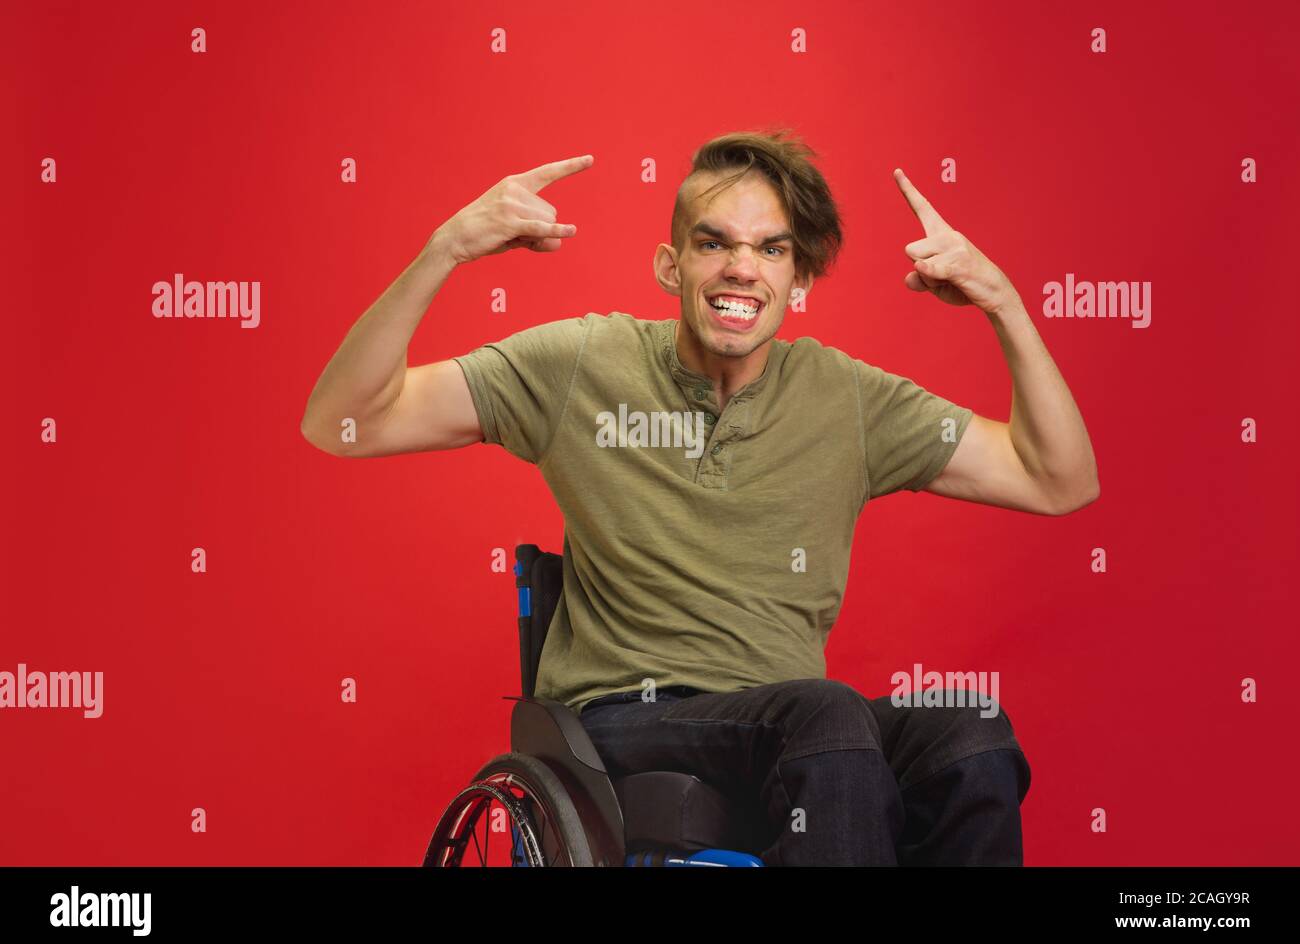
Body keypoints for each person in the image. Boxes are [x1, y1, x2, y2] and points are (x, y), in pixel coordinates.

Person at [300, 129, 1099, 866]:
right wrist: (445, 250)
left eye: (770, 248)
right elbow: (344, 422)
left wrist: (1004, 304)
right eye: (713, 242)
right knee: (827, 716)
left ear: (798, 275)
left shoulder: (847, 400)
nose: (741, 268)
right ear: (670, 265)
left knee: (972, 733)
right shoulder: (583, 362)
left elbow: (1057, 478)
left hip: (794, 725)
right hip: (622, 721)